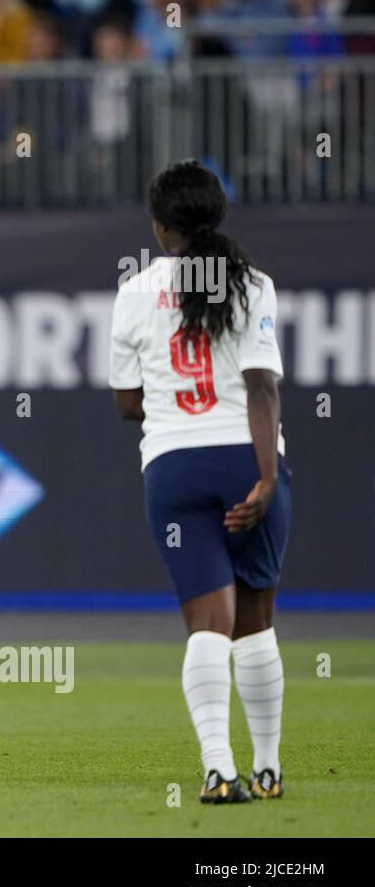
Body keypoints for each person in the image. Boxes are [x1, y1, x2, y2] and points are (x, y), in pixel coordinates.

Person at [110, 159, 289, 803]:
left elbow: (127, 403)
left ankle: (218, 770)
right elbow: (261, 385)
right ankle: (267, 769)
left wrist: (170, 397)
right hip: (246, 457)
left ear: (159, 226)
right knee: (257, 622)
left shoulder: (134, 293)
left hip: (173, 467)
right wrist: (266, 479)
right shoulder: (254, 286)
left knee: (207, 622)